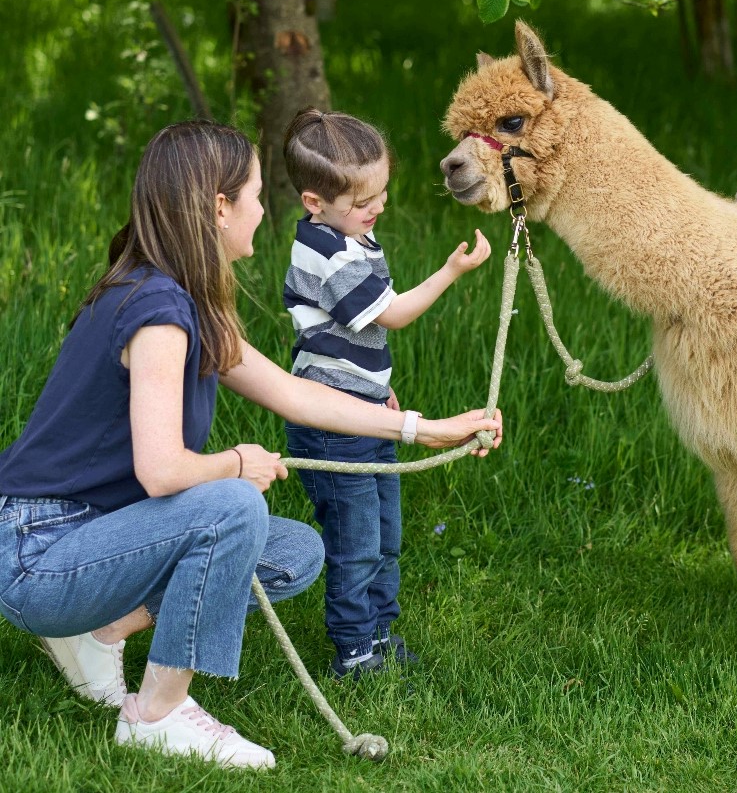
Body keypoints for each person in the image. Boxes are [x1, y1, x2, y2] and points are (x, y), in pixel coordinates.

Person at [0, 121, 501, 770]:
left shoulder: (185, 301)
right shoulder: (156, 313)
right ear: (218, 208)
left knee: (294, 551)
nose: (266, 212)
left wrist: (426, 428)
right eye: (258, 196)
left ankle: (99, 633)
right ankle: (157, 714)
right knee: (232, 505)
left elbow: (297, 395)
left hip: (96, 537)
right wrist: (238, 464)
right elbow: (161, 473)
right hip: (40, 553)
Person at [282, 109, 491, 679]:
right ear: (314, 203)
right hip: (332, 427)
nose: (377, 209)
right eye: (362, 202)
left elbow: (351, 334)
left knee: (384, 534)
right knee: (356, 543)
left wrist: (380, 386)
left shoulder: (350, 232)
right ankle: (353, 651)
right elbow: (392, 314)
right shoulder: (329, 253)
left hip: (363, 410)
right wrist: (451, 270)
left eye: (382, 194)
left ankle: (378, 633)